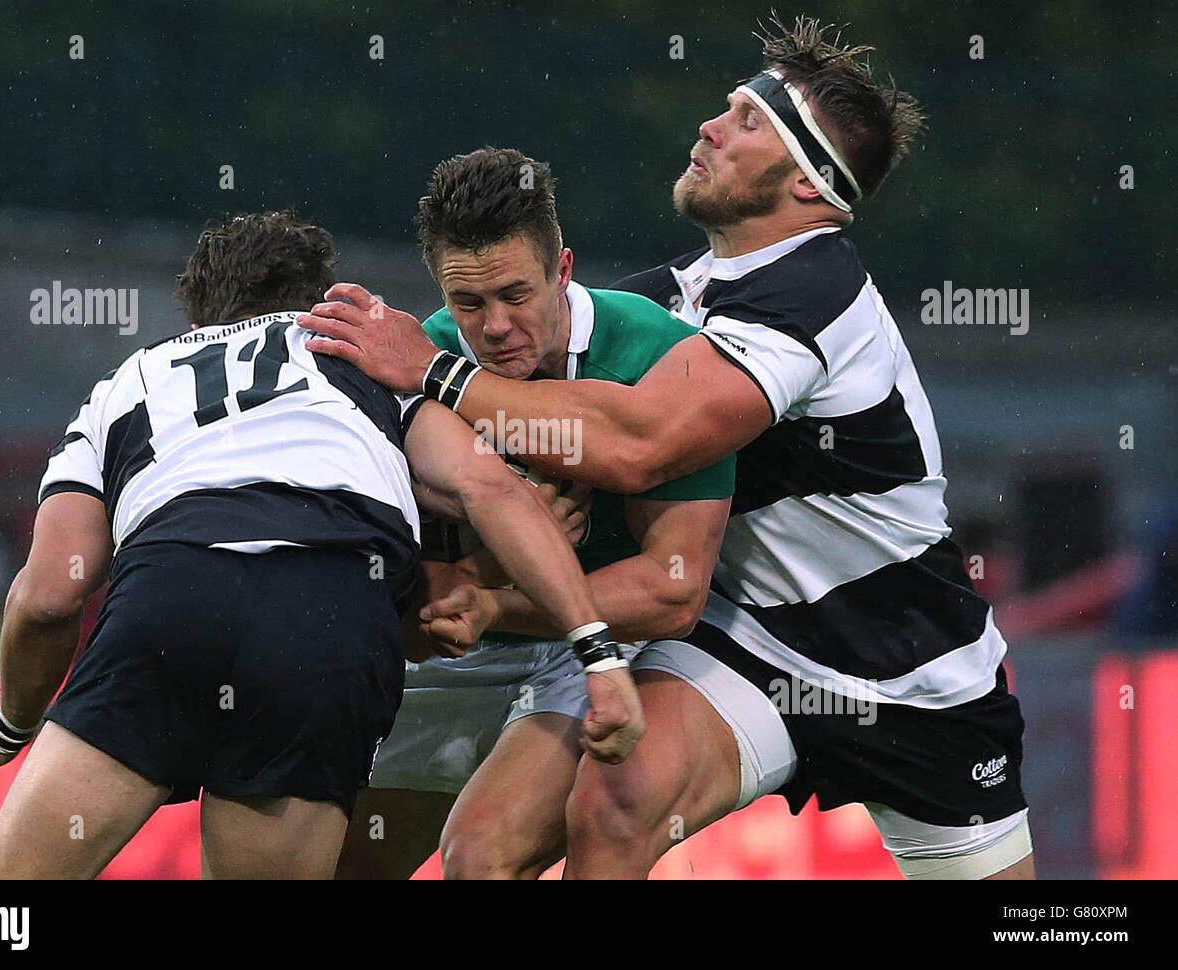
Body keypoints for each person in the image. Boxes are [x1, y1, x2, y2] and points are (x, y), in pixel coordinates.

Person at [301, 16, 1035, 881]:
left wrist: (434, 373)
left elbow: (638, 445)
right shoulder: (680, 292)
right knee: (615, 799)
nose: (712, 127)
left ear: (809, 185)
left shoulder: (816, 289)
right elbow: (541, 369)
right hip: (748, 642)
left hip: (915, 674)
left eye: (750, 120)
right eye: (728, 107)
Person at [0, 210, 642, 879]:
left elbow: (50, 593)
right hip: (329, 627)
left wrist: (10, 727)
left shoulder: (126, 383)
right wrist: (597, 654)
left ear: (197, 312)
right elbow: (494, 491)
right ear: (318, 300)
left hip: (172, 601)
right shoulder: (365, 362)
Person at [333, 149, 734, 880]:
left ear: (564, 270)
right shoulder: (416, 361)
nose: (493, 328)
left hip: (617, 644)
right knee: (329, 864)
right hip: (478, 650)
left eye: (517, 295)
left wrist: (490, 599)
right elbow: (412, 593)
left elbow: (674, 592)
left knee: (481, 858)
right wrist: (493, 546)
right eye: (468, 303)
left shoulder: (657, 355)